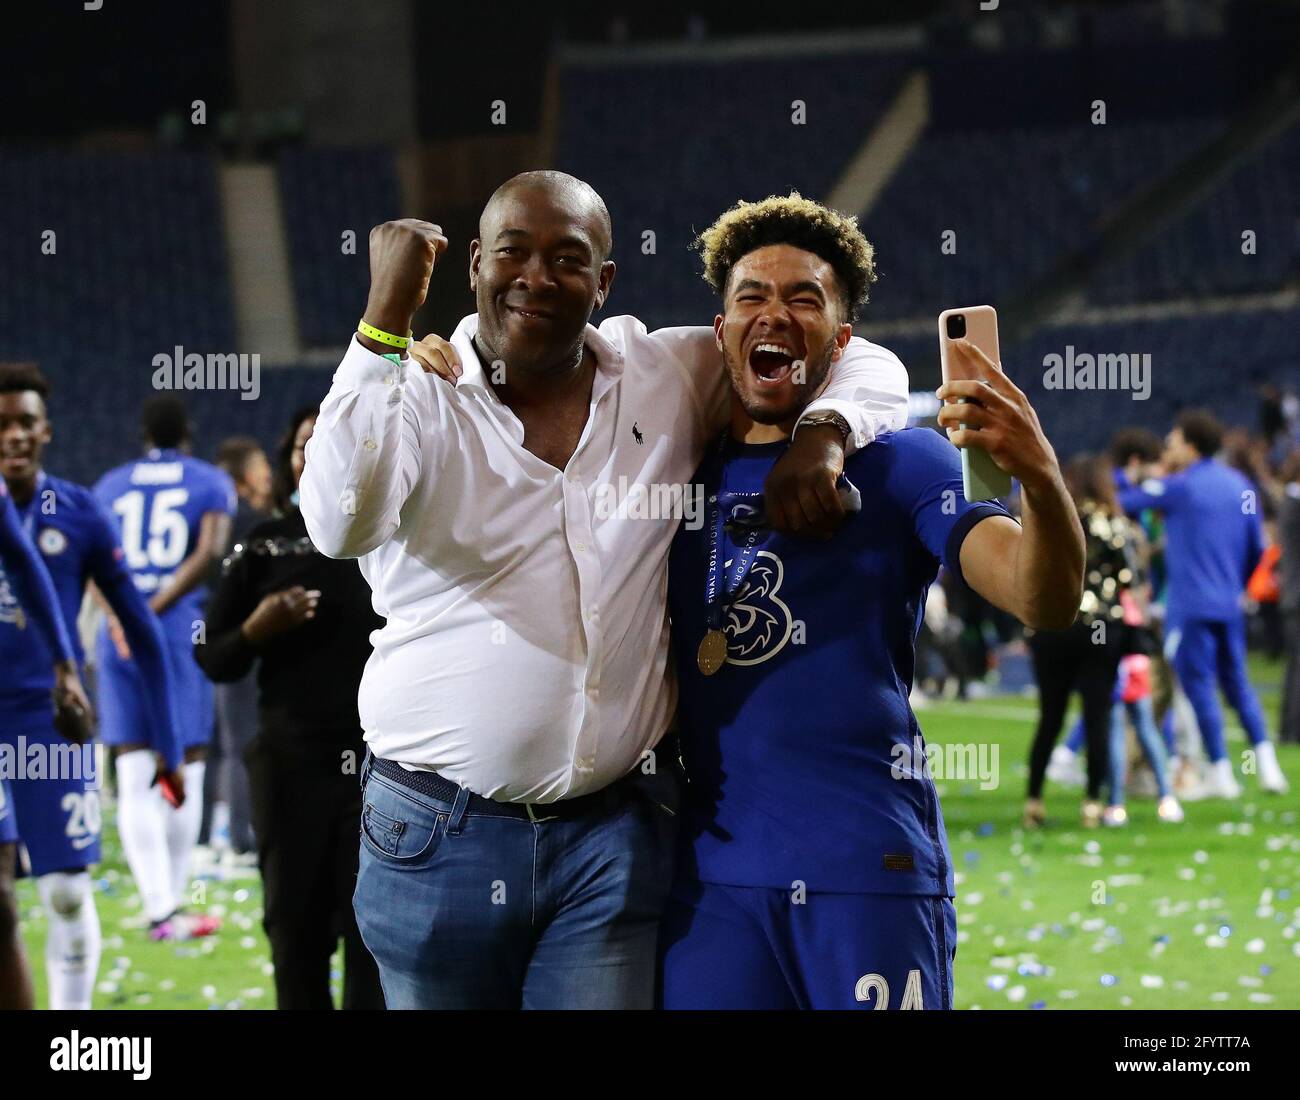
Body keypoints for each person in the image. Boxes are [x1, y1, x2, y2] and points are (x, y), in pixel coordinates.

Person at [300, 171, 910, 1009]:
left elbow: (858, 354)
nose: (537, 276)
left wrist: (823, 431)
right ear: (475, 262)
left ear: (605, 282)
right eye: (513, 251)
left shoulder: (665, 372)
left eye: (568, 257)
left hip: (612, 837)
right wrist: (384, 326)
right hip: (439, 834)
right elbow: (340, 524)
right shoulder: (417, 394)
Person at [658, 194, 1084, 1010]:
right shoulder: (673, 467)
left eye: (803, 299)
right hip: (710, 884)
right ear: (721, 331)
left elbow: (1043, 596)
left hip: (867, 871)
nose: (773, 314)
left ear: (842, 341)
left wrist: (1039, 472)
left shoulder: (904, 463)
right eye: (751, 297)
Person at [0, 363, 183, 1009]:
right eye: (2, 425)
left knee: (66, 894)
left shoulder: (78, 515)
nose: (14, 436)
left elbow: (144, 629)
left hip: (49, 720)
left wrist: (166, 742)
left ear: (45, 430)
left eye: (25, 422)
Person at [197, 409, 384, 1010]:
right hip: (290, 768)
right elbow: (212, 653)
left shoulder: (392, 538)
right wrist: (255, 628)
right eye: (305, 444)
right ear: (288, 463)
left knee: (373, 938)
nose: (315, 454)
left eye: (332, 441)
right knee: (294, 935)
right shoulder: (260, 545)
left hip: (383, 773)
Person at [93, 396, 235, 939]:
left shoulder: (109, 484)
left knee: (131, 764)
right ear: (188, 434)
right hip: (177, 629)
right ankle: (172, 902)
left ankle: (158, 908)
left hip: (118, 634)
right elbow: (210, 552)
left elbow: (91, 562)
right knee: (185, 760)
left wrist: (118, 615)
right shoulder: (208, 481)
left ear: (143, 435)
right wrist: (151, 612)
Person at [1119, 410, 1288, 795]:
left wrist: (1128, 477)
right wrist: (1236, 584)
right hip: (1229, 602)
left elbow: (1123, 498)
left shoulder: (1180, 486)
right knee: (1238, 684)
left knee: (1198, 686)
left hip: (1190, 606)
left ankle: (1221, 772)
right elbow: (1256, 548)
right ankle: (1267, 767)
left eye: (1174, 440)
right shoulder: (1240, 486)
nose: (1168, 447)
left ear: (1191, 445)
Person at [0, 475, 96, 1008]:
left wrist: (65, 664)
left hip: (23, 714)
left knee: (7, 900)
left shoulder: (74, 511)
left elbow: (20, 559)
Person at [1024, 454, 1138, 828]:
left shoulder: (1056, 518)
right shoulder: (1110, 521)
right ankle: (1092, 803)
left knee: (1050, 717)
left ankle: (1034, 801)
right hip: (1101, 629)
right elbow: (1127, 577)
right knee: (1097, 717)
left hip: (1054, 627)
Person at [207, 436, 274, 857]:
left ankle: (203, 834)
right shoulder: (253, 522)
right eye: (264, 475)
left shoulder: (205, 519)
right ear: (248, 478)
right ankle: (242, 836)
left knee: (210, 745)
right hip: (244, 643)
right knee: (241, 743)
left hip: (205, 639)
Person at [1280, 450, 1300, 744]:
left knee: (1295, 664)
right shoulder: (1294, 502)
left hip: (1292, 594)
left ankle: (1288, 729)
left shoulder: (1289, 501)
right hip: (1297, 595)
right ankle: (1293, 730)